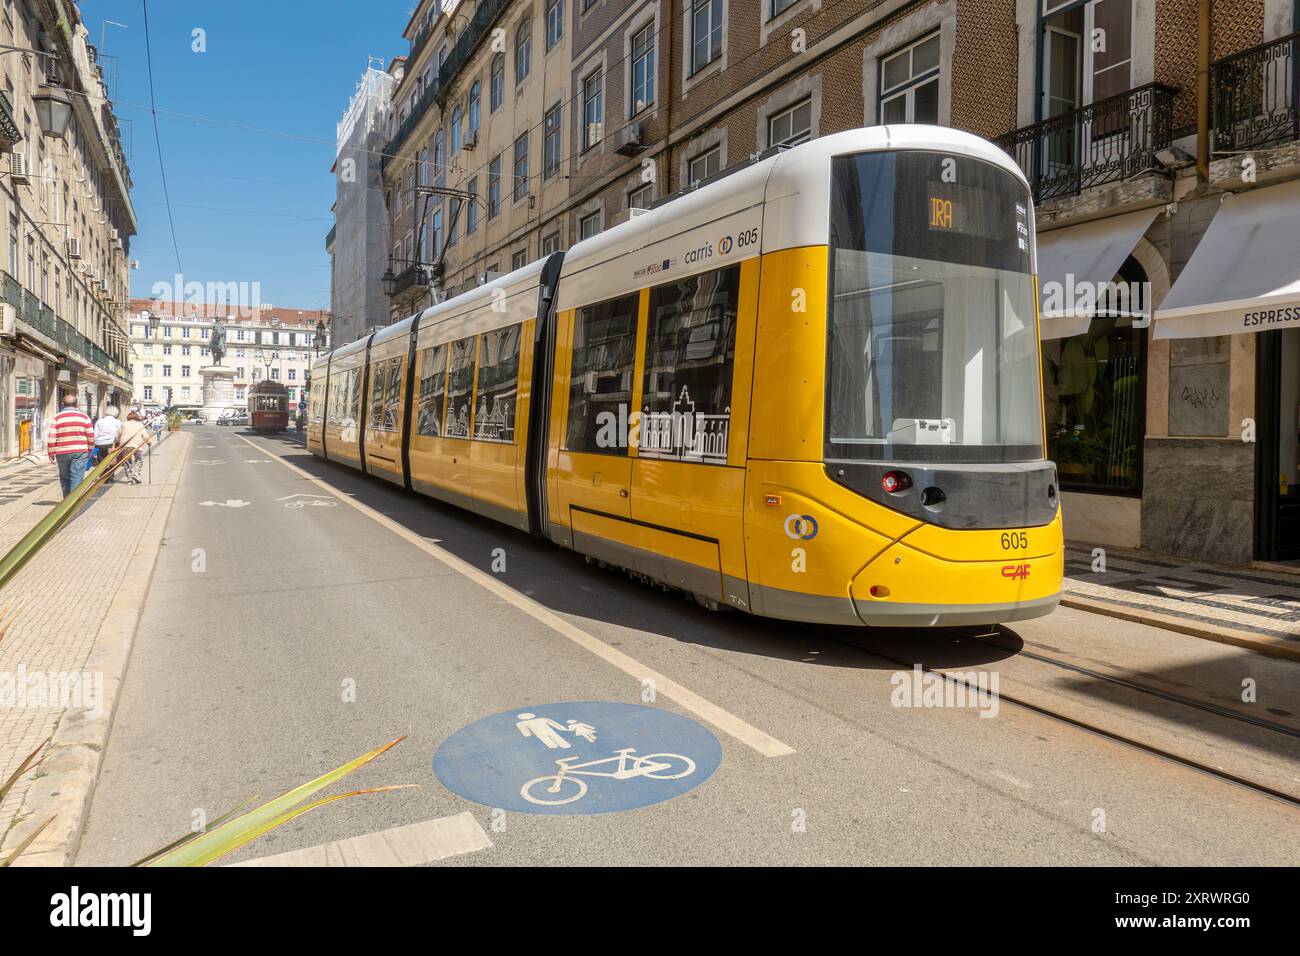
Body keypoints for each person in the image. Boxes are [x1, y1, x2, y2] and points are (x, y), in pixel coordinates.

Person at [48, 393, 95, 497]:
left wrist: (51, 453)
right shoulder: (84, 417)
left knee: (64, 476)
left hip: (62, 452)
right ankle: (73, 501)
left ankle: (66, 499)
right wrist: (90, 450)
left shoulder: (57, 418)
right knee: (77, 476)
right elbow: (91, 436)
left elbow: (52, 438)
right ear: (77, 404)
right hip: (80, 451)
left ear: (62, 404)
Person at [114, 411, 152, 485]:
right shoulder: (139, 424)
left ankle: (129, 478)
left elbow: (118, 435)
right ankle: (136, 475)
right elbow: (145, 435)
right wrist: (149, 442)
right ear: (137, 417)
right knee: (139, 460)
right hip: (137, 445)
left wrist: (118, 442)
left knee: (127, 462)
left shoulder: (124, 424)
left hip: (125, 445)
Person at [92, 406, 123, 480]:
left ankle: (102, 475)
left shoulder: (99, 421)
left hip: (99, 443)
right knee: (111, 460)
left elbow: (95, 434)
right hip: (111, 443)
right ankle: (110, 476)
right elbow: (118, 435)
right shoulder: (117, 422)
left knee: (102, 461)